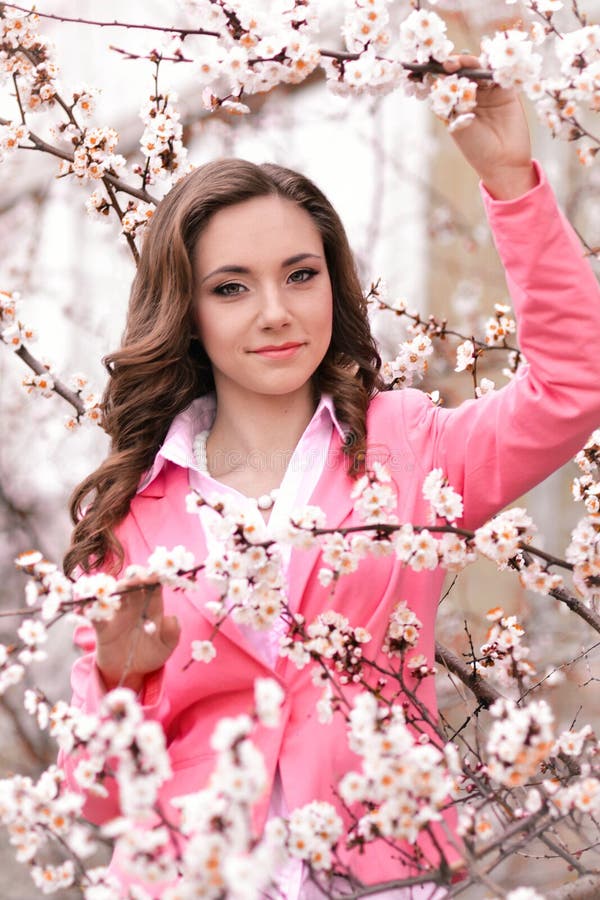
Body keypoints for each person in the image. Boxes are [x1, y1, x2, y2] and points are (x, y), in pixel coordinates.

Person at [60, 53, 600, 899]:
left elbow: (574, 387)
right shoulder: (134, 514)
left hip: (382, 878)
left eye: (299, 275)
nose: (276, 311)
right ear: (189, 315)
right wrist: (118, 679)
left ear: (331, 283)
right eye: (232, 288)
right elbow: (93, 796)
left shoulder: (410, 446)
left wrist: (511, 184)